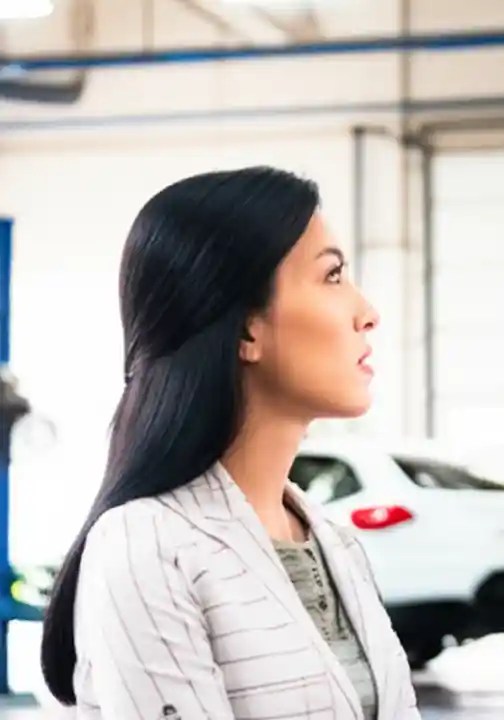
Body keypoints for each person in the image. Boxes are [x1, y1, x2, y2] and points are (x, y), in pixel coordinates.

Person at [38, 167, 420, 719]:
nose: (368, 312)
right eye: (333, 276)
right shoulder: (149, 545)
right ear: (247, 329)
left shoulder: (336, 546)